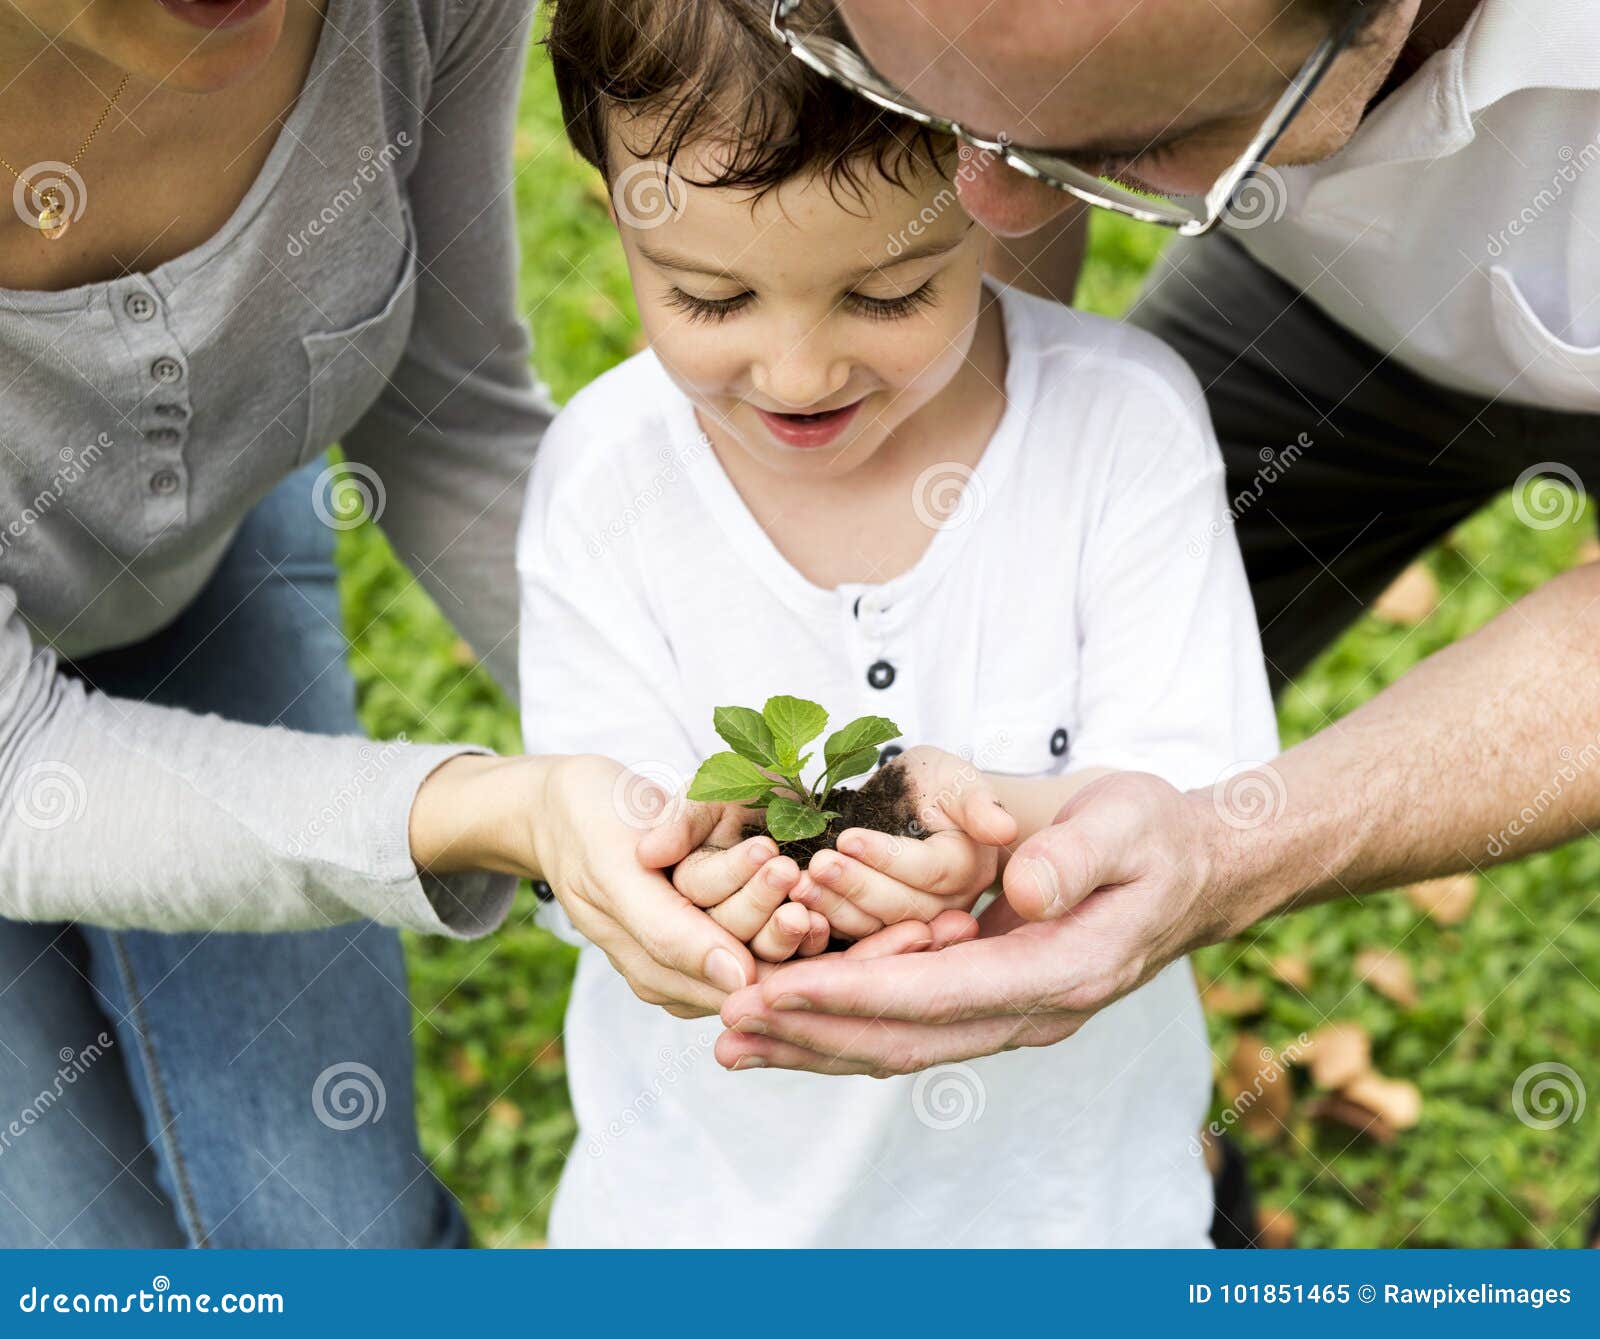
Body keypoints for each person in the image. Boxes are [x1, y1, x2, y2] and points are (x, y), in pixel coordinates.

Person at [711, 0, 1600, 1153]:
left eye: (1123, 154)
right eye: (934, 106)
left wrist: (1228, 852)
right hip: (1318, 293)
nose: (978, 199)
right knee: (1046, 698)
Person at [0, 0, 783, 1247]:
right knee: (82, 1263)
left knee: (343, 1252)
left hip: (193, 578)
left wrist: (715, 785)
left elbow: (451, 416)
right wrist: (498, 809)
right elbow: (17, 766)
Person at [517, 0, 1277, 1246]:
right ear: (620, 217)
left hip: (1068, 1221)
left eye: (886, 293)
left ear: (997, 190)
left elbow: (1205, 804)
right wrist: (710, 879)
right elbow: (594, 846)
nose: (799, 373)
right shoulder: (606, 476)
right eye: (712, 299)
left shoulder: (1119, 428)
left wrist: (1001, 838)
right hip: (707, 1229)